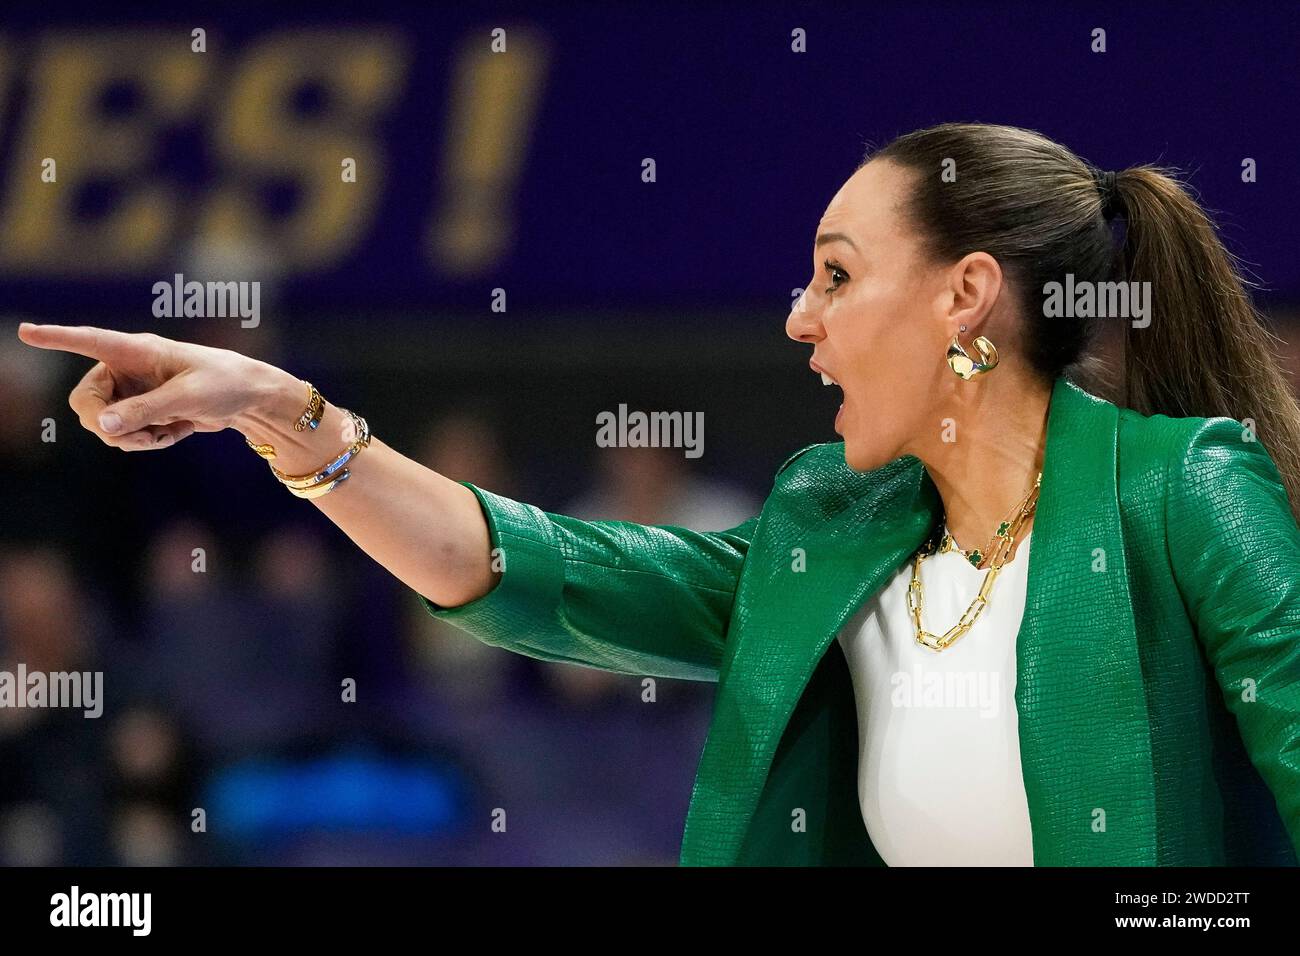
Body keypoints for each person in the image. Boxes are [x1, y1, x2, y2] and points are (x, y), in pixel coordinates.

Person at [18, 122, 1300, 866]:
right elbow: (535, 570)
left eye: (838, 277)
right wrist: (274, 407)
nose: (799, 319)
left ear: (965, 297)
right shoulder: (827, 522)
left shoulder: (1181, 490)